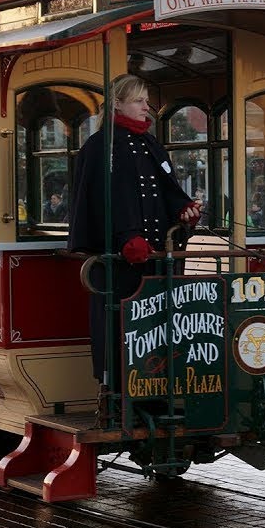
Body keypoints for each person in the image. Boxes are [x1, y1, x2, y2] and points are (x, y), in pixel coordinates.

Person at [68, 73, 201, 381]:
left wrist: (183, 210)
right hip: (120, 265)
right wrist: (125, 237)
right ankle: (117, 394)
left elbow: (167, 191)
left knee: (157, 330)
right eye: (139, 101)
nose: (147, 107)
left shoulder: (150, 144)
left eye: (147, 101)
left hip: (155, 260)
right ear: (118, 103)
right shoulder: (99, 147)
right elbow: (100, 202)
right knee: (121, 331)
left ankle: (158, 391)